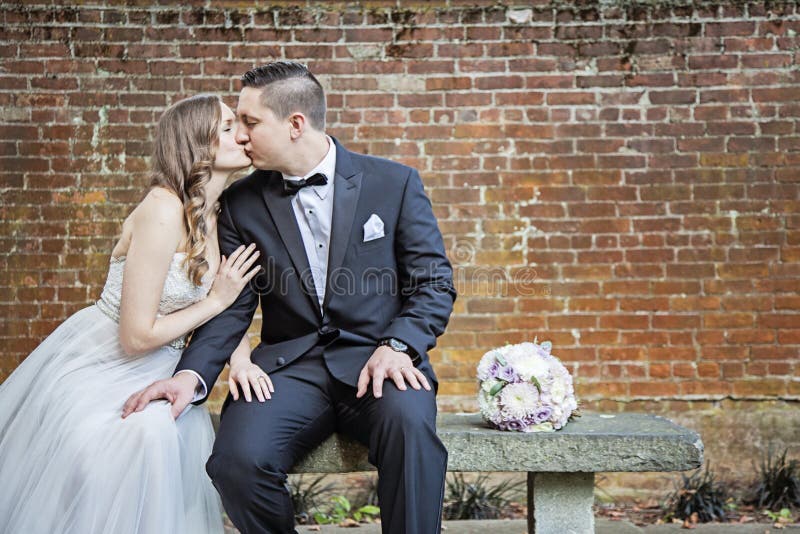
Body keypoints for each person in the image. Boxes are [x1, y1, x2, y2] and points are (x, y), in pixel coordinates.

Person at [124, 61, 457, 534]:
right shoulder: (241, 203)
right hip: (288, 371)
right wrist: (191, 377)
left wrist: (398, 345)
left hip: (378, 362)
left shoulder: (394, 183)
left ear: (295, 124)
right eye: (236, 123)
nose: (240, 134)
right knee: (236, 463)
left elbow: (433, 282)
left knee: (412, 433)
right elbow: (232, 306)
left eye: (250, 122)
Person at [0, 94, 265, 534]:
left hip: (165, 366)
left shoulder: (217, 212)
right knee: (137, 438)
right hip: (106, 363)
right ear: (196, 145)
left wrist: (241, 359)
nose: (241, 133)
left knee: (174, 432)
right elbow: (137, 336)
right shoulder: (162, 210)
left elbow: (220, 300)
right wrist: (216, 302)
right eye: (226, 127)